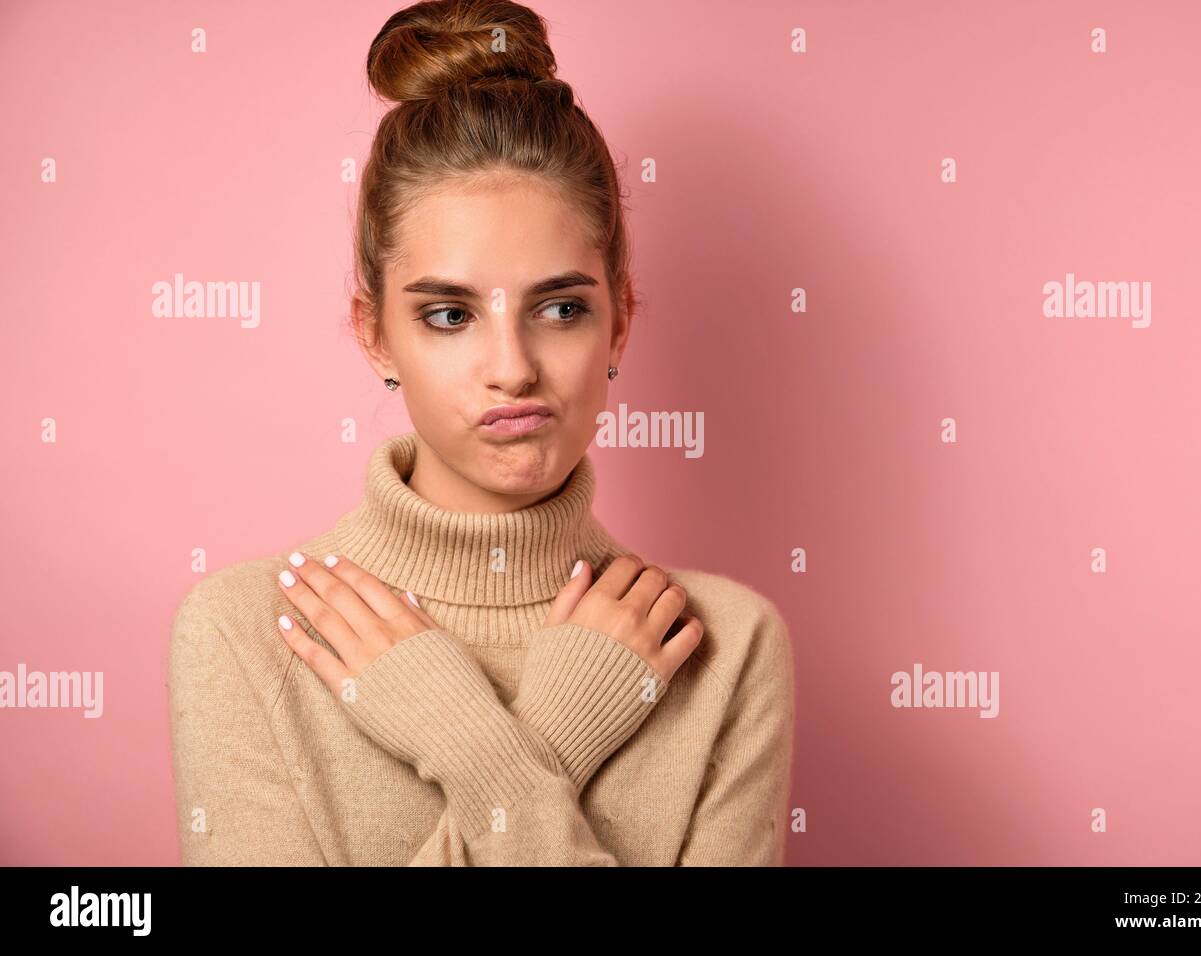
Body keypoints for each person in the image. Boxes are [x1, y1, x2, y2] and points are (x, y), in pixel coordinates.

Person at [167, 0, 795, 866]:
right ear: (375, 333)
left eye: (561, 308)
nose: (513, 368)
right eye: (451, 314)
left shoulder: (722, 646)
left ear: (619, 323)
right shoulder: (245, 633)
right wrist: (511, 747)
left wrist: (484, 753)